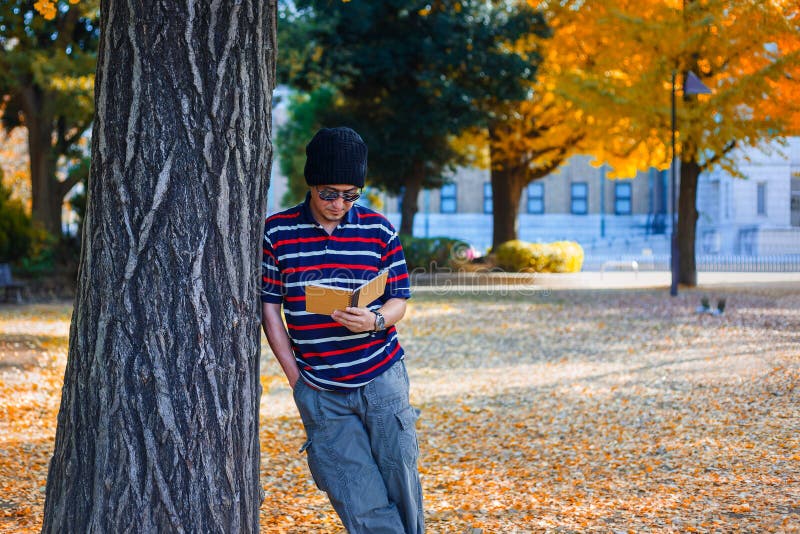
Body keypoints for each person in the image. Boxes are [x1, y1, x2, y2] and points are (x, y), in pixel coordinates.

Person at [260, 127, 424, 533]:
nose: (339, 204)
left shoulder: (379, 229)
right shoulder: (277, 232)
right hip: (321, 389)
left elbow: (399, 298)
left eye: (351, 194)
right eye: (329, 193)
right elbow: (269, 307)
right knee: (357, 496)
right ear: (311, 184)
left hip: (382, 378)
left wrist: (377, 320)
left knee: (402, 484)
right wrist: (297, 379)